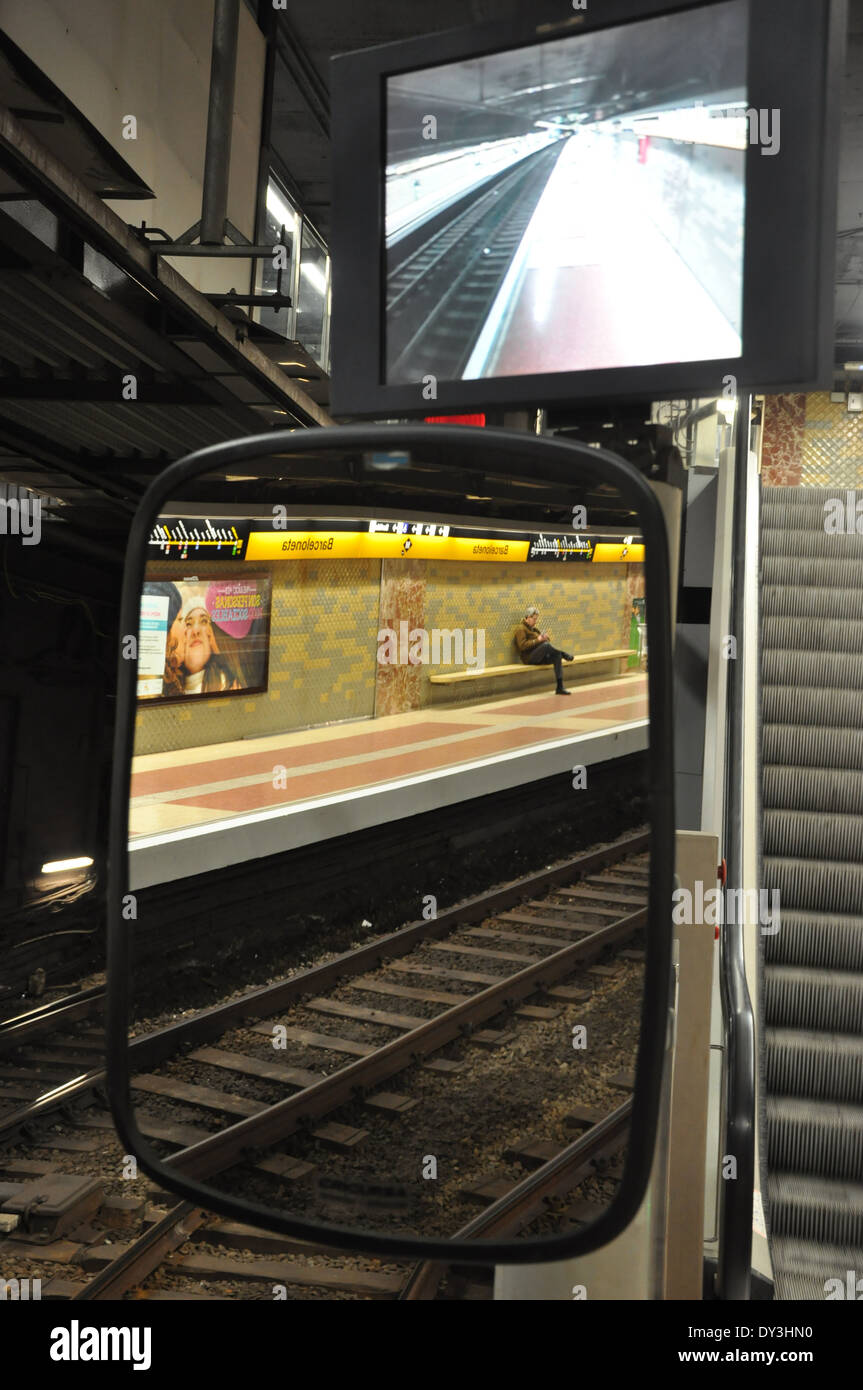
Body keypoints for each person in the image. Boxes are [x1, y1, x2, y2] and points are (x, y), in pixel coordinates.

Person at [179, 591, 241, 694]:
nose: (195, 631)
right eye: (189, 624)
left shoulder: (231, 685)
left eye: (204, 621)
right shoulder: (170, 690)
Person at [514, 605, 574, 695]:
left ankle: (560, 687)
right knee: (546, 646)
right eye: (534, 619)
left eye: (536, 619)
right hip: (529, 658)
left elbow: (546, 642)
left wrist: (544, 638)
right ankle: (563, 654)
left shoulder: (534, 629)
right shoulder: (521, 629)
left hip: (540, 656)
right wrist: (537, 640)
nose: (535, 621)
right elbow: (522, 646)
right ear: (527, 618)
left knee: (556, 656)